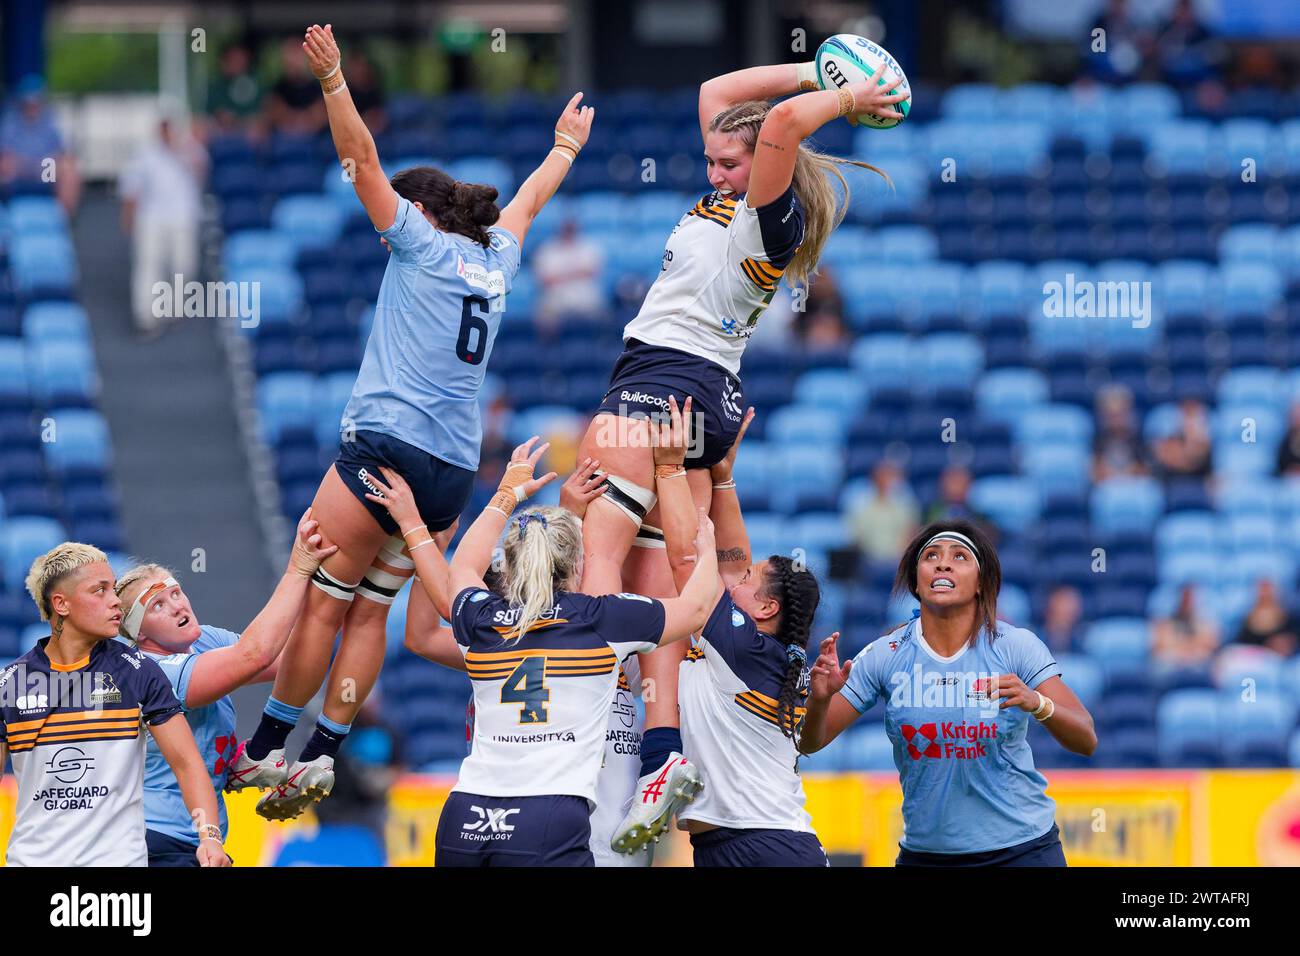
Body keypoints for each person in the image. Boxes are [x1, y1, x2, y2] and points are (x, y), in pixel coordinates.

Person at [231, 23, 593, 821]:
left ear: (423, 212)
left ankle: (264, 749)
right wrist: (564, 149)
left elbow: (357, 160)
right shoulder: (496, 262)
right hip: (450, 476)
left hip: (384, 450)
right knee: (371, 613)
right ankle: (323, 755)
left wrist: (332, 81)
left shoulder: (420, 246)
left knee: (326, 600)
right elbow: (529, 199)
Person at [573, 58, 903, 845]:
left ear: (767, 165)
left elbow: (783, 125)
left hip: (663, 382)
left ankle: (575, 732)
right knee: (668, 601)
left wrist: (849, 95)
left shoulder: (767, 213)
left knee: (598, 547)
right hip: (701, 400)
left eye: (732, 162)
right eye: (715, 161)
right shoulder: (734, 190)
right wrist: (813, 62)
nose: (716, 171)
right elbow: (715, 98)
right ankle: (660, 755)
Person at [369, 435, 718, 865]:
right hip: (548, 815)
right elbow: (698, 608)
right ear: (577, 565)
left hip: (467, 815)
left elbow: (460, 570)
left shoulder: (482, 621)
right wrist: (704, 553)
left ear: (511, 567)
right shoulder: (602, 618)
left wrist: (504, 494)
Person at [801, 520, 1098, 867]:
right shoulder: (886, 654)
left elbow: (1086, 738)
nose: (943, 563)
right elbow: (810, 743)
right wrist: (820, 701)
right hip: (927, 857)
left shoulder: (1016, 646)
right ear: (916, 580)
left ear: (981, 583)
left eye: (959, 556)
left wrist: (1039, 703)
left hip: (1024, 851)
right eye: (931, 556)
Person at [629, 397, 827, 864]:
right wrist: (723, 479)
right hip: (744, 843)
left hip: (763, 845)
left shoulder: (743, 650)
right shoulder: (755, 651)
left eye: (748, 580)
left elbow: (686, 561)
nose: (734, 579)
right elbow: (729, 561)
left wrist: (672, 467)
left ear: (766, 607)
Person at [112, 510, 336, 866]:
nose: (177, 605)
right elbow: (256, 654)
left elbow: (291, 661)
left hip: (189, 839)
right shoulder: (153, 671)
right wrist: (298, 569)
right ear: (140, 634)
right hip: (153, 840)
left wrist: (335, 587)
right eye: (158, 605)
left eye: (176, 592)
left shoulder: (200, 642)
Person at [1, 543, 227, 866]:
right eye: (100, 590)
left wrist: (210, 837)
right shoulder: (10, 684)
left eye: (113, 588)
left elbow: (187, 764)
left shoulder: (140, 672)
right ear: (61, 604)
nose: (115, 601)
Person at [119, 118, 209, 338]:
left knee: (184, 264)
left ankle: (175, 307)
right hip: (151, 217)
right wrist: (128, 217)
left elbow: (202, 172)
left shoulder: (190, 149)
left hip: (182, 216)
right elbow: (131, 188)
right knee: (148, 265)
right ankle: (146, 317)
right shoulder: (144, 154)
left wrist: (183, 149)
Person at [0, 75, 82, 212]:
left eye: (36, 102)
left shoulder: (50, 123)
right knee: (6, 164)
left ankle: (62, 218)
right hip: (17, 170)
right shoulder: (10, 123)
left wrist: (45, 164)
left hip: (44, 170)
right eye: (28, 103)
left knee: (68, 168)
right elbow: (5, 155)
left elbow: (60, 153)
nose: (32, 107)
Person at [532, 218, 606, 334]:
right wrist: (576, 272)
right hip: (557, 296)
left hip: (584, 294)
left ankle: (601, 342)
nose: (569, 232)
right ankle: (549, 348)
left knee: (603, 312)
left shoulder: (588, 247)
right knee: (544, 313)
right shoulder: (548, 249)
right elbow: (545, 280)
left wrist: (561, 275)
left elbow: (592, 271)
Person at [849, 460, 921, 563]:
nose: (886, 482)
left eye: (890, 477)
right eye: (882, 477)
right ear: (874, 479)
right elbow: (858, 537)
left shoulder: (905, 505)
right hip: (869, 559)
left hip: (898, 559)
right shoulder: (862, 506)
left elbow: (910, 532)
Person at [1152, 584, 1219, 675]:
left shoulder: (1205, 622)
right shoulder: (1164, 622)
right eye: (1184, 599)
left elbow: (1209, 645)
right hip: (1173, 662)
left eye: (1190, 599)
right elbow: (1160, 645)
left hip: (1197, 661)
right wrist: (1183, 653)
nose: (1187, 602)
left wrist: (1189, 652)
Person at [1234, 578, 1299, 658]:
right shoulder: (1246, 618)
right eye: (1262, 590)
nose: (1265, 594)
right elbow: (1241, 644)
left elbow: (1293, 640)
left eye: (1268, 590)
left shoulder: (1289, 617)